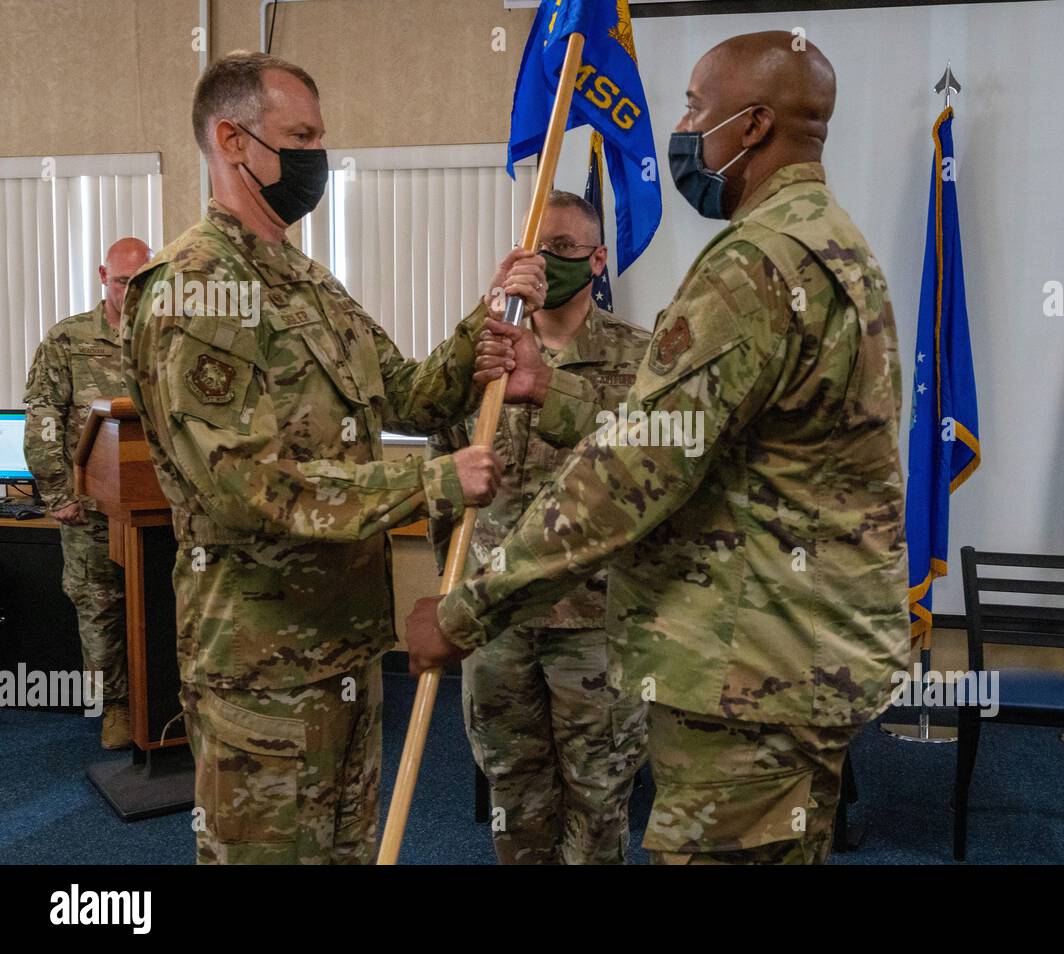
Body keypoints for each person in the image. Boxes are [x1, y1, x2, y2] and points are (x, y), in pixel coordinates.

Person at [408, 31, 911, 864]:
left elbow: (630, 471)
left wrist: (463, 612)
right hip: (798, 655)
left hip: (749, 669)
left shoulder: (756, 264)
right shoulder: (836, 245)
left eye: (693, 108)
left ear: (750, 127)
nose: (681, 128)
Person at [120, 50, 538, 864]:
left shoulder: (308, 282)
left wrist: (488, 320)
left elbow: (412, 394)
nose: (318, 157)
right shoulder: (196, 288)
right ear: (233, 141)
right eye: (301, 136)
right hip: (263, 670)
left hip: (344, 648)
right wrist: (430, 481)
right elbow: (248, 489)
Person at [430, 190, 649, 864]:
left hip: (596, 624)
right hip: (497, 622)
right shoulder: (481, 357)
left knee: (597, 801)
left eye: (564, 249)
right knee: (513, 798)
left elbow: (654, 468)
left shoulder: (641, 358)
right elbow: (445, 478)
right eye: (538, 248)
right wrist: (453, 592)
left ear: (597, 258)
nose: (549, 261)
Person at [24, 237, 151, 749]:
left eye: (142, 282)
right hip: (91, 507)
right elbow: (42, 418)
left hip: (155, 508)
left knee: (164, 603)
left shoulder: (168, 338)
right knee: (99, 606)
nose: (132, 291)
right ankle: (115, 707)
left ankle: (164, 703)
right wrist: (59, 495)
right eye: (123, 281)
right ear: (103, 276)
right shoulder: (69, 339)